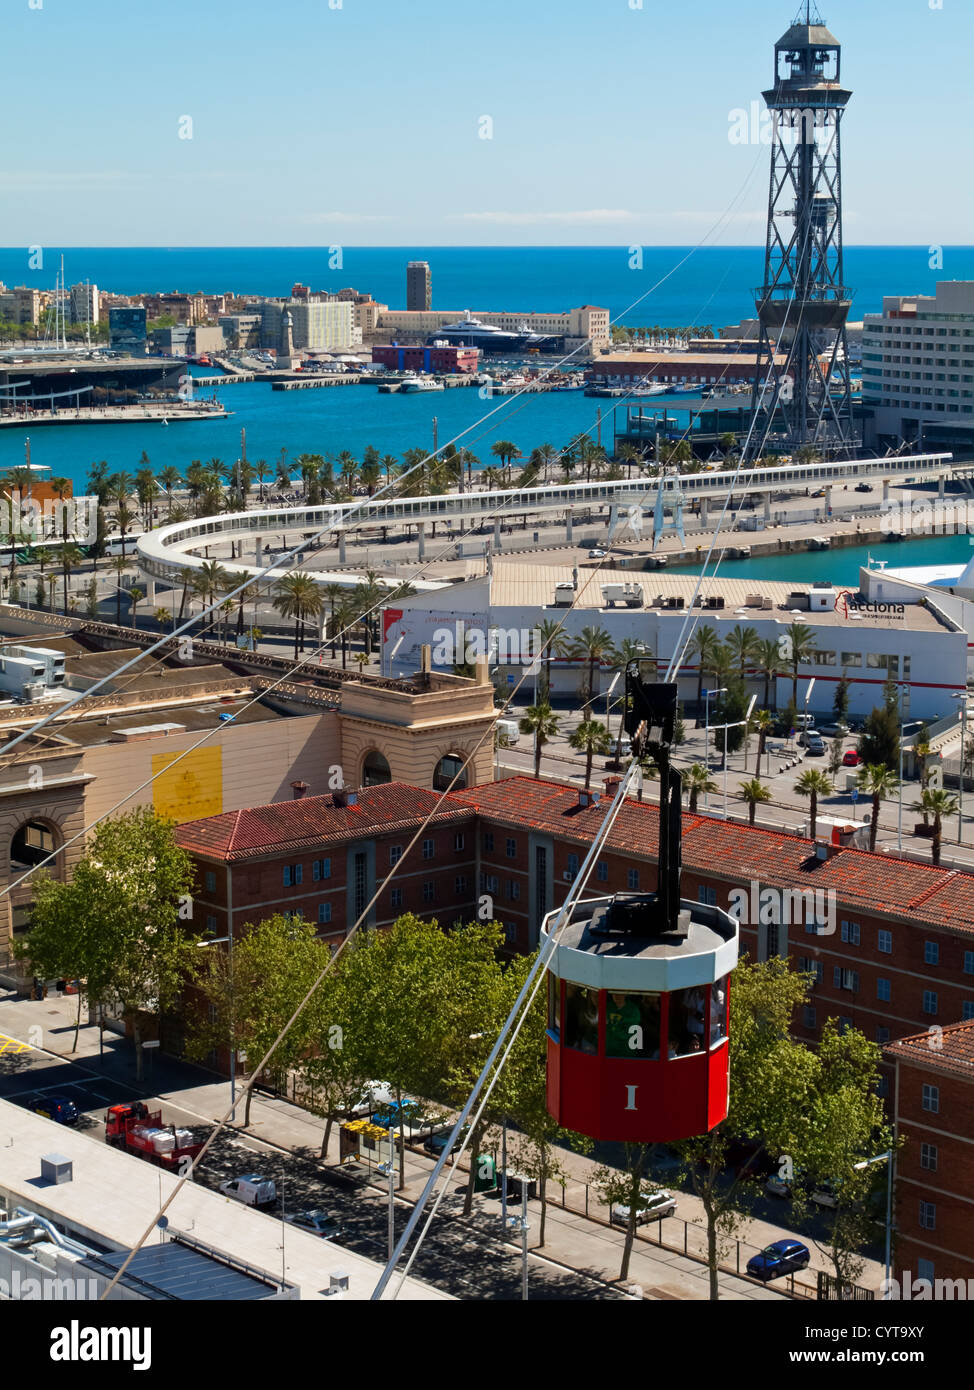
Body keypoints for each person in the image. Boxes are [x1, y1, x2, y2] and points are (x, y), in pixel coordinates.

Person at [605, 992, 641, 1057]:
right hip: (608, 1052)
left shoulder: (633, 1010)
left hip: (625, 1053)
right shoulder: (608, 1007)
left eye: (620, 993)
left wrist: (612, 1030)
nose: (616, 995)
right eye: (613, 992)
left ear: (625, 993)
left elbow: (629, 1032)